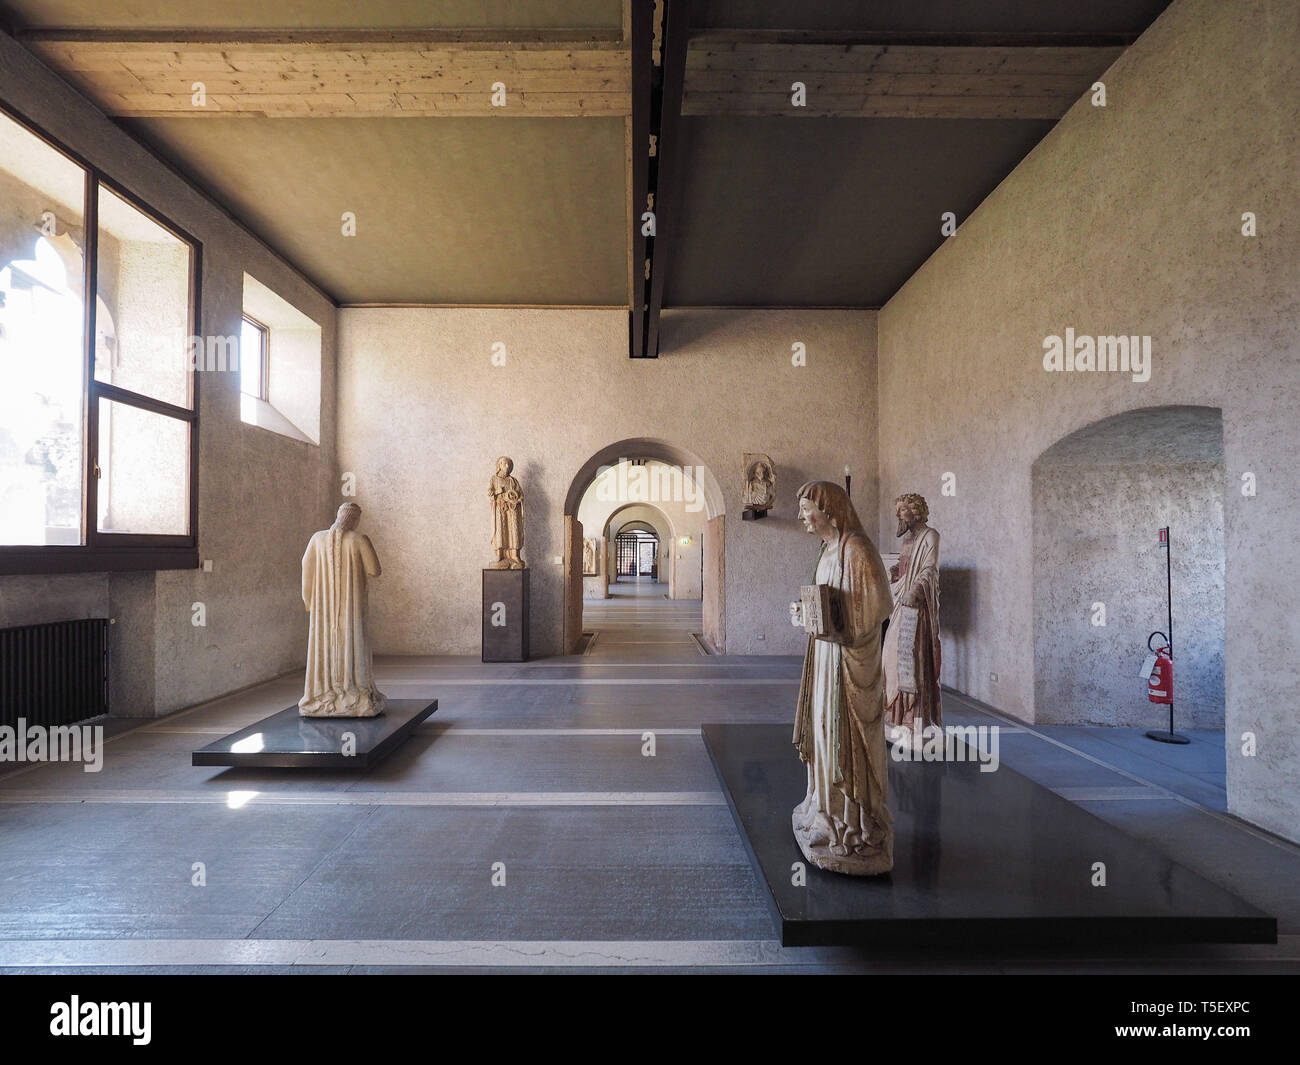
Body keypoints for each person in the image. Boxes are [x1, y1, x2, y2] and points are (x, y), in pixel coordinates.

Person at [788, 480, 894, 875]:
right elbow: (825, 600)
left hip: (849, 666)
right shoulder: (828, 550)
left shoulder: (858, 551)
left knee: (843, 741)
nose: (801, 517)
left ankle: (852, 828)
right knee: (821, 735)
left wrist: (830, 625)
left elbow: (870, 615)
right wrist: (805, 612)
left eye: (805, 509)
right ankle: (822, 810)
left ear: (829, 510)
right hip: (826, 658)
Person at [299, 502, 386, 718]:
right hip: (351, 608)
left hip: (322, 611)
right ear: (355, 520)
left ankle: (321, 694)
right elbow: (375, 570)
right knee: (352, 643)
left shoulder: (316, 539)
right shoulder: (359, 539)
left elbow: (305, 568)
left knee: (324, 645)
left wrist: (309, 601)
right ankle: (355, 692)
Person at [883, 493, 942, 745]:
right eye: (897, 510)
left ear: (916, 511)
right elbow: (906, 568)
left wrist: (916, 589)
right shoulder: (908, 539)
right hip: (901, 602)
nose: (899, 514)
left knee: (911, 659)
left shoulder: (930, 536)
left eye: (903, 510)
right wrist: (897, 572)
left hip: (916, 606)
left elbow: (929, 569)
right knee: (890, 657)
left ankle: (913, 721)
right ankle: (895, 718)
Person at [488, 456, 525, 569]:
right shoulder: (494, 479)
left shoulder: (512, 481)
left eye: (509, 464)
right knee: (500, 530)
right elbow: (490, 493)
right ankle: (500, 554)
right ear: (499, 465)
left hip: (512, 509)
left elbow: (520, 495)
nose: (507, 466)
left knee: (513, 530)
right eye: (504, 464)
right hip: (500, 507)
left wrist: (516, 498)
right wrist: (496, 492)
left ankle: (514, 555)